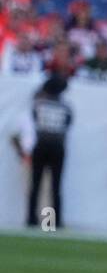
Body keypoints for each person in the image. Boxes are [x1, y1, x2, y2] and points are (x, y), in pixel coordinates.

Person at [27, 75, 74, 230]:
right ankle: (55, 221)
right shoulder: (65, 106)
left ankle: (31, 218)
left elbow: (34, 121)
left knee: (36, 184)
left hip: (41, 146)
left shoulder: (38, 103)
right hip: (57, 148)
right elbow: (68, 124)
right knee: (55, 186)